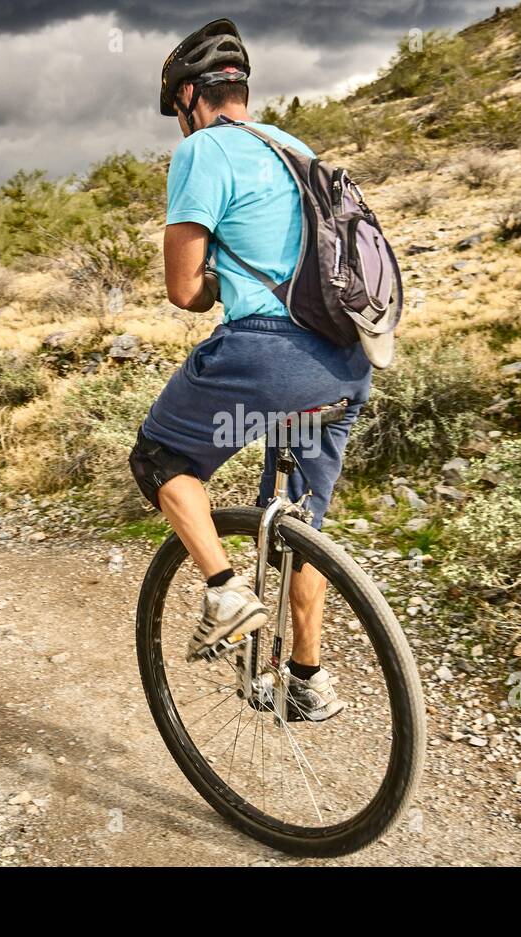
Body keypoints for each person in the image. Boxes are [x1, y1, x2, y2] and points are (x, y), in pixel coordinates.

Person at [128, 18, 372, 721]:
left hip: (270, 351)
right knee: (300, 526)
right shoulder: (296, 147)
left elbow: (182, 291)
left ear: (187, 98)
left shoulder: (205, 148)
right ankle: (307, 677)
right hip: (347, 360)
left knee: (160, 457)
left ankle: (226, 591)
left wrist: (216, 282)